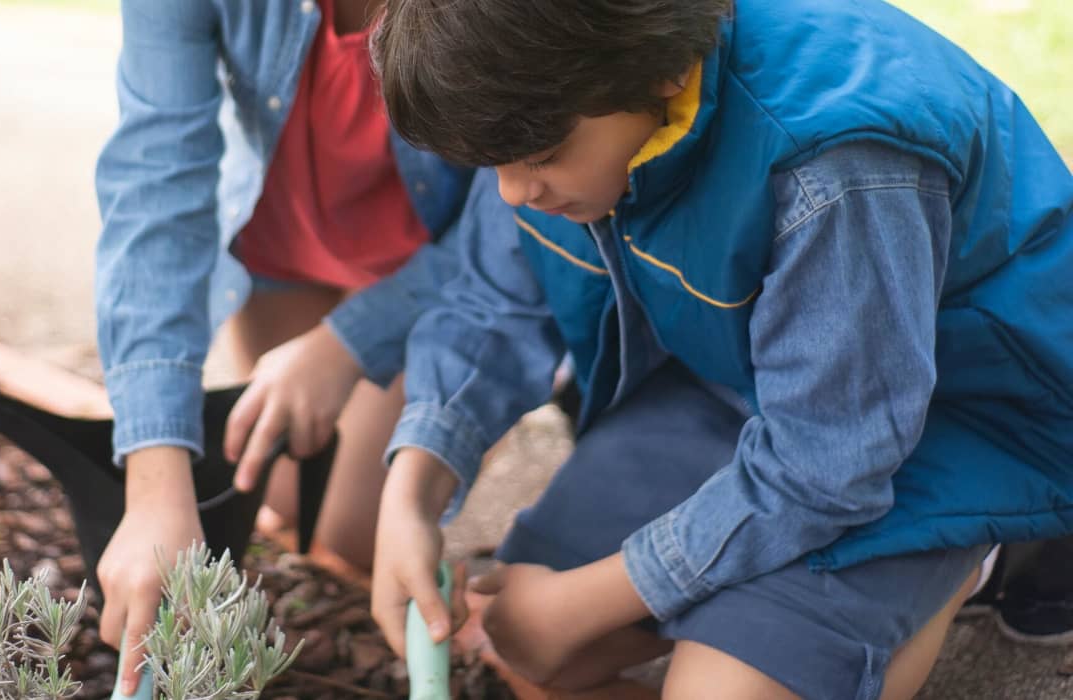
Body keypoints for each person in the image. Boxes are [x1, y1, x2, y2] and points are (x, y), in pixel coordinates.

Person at [366, 1, 1073, 698]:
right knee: (525, 644)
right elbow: (491, 302)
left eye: (542, 159)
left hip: (955, 416)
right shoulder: (553, 89)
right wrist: (412, 496)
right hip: (744, 380)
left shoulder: (835, 165)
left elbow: (829, 463)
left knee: (708, 684)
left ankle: (974, 543)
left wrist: (574, 604)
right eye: (495, 165)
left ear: (666, 71)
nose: (514, 193)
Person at [91, 0, 493, 694]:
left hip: (433, 268)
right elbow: (154, 188)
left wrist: (346, 344)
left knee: (351, 533)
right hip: (285, 253)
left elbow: (515, 219)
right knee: (279, 498)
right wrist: (154, 482)